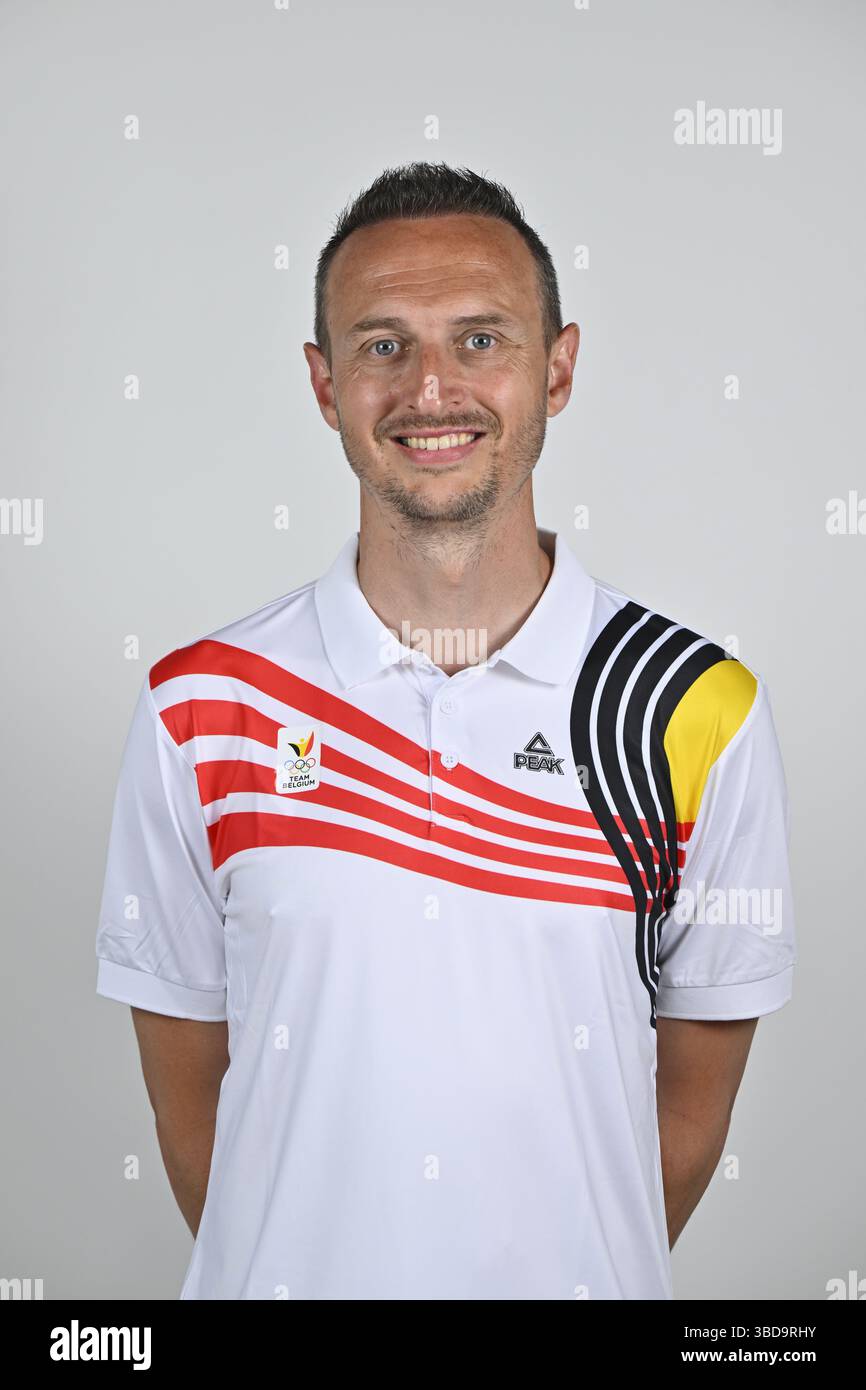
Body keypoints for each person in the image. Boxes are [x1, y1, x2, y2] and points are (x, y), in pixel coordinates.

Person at [95, 162, 796, 1300]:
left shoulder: (693, 708)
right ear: (323, 386)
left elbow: (681, 1120)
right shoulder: (197, 708)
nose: (430, 389)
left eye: (480, 340)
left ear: (556, 369)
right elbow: (197, 1123)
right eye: (381, 345)